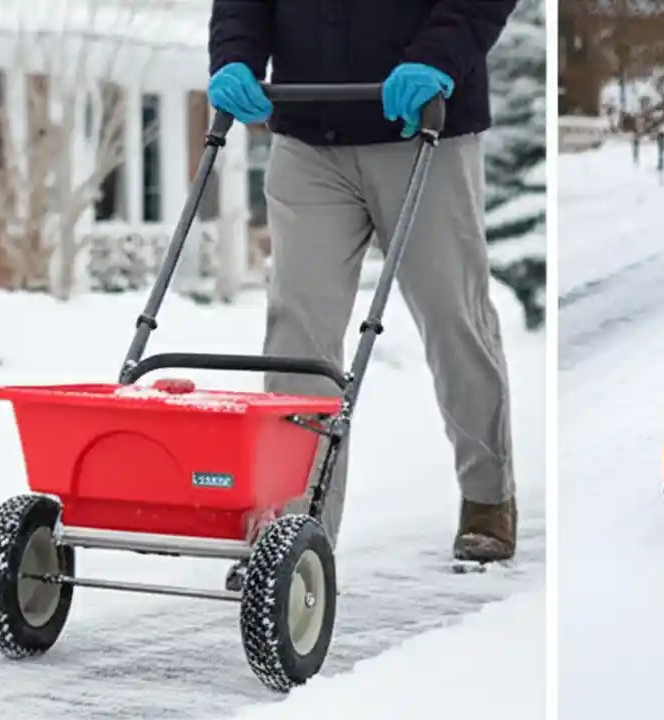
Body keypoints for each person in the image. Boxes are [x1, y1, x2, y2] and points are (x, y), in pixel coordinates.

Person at [207, 0, 520, 588]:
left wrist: (437, 58)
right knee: (297, 335)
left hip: (423, 123)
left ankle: (487, 495)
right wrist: (234, 58)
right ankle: (297, 530)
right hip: (308, 134)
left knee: (453, 316)